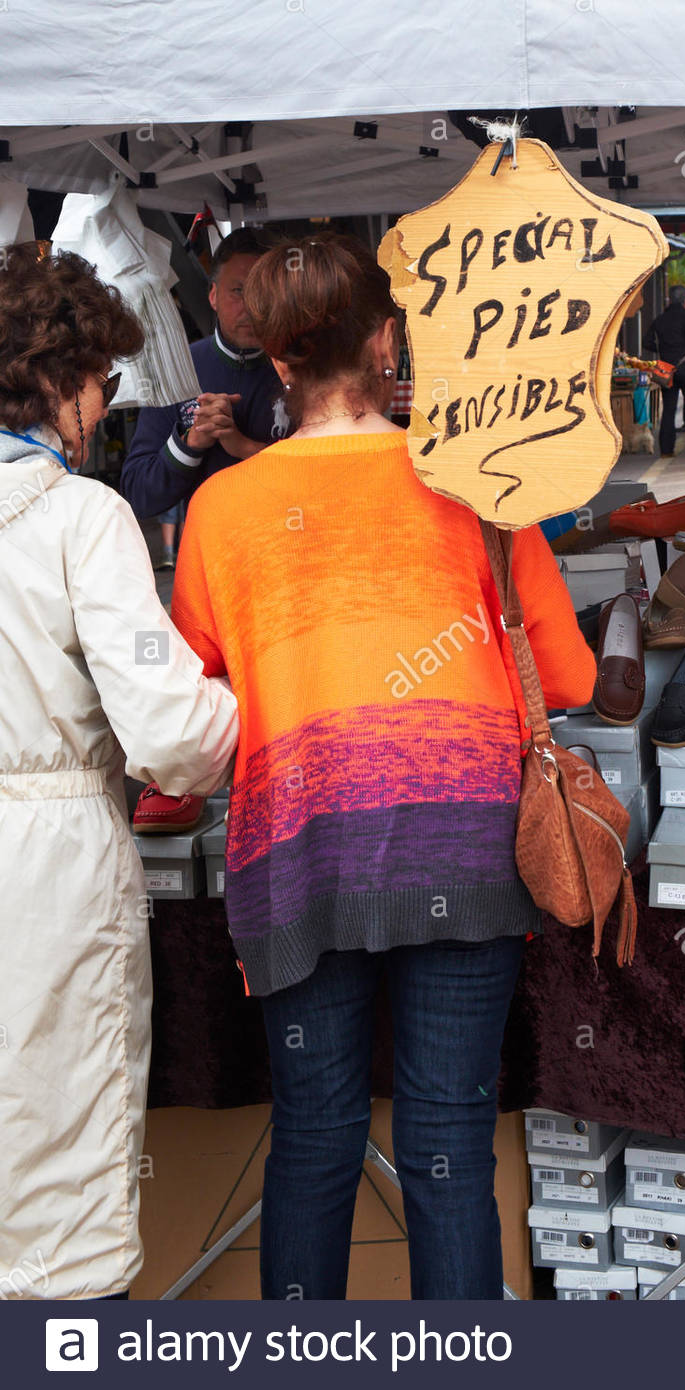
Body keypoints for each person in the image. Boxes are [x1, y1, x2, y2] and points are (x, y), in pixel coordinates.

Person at [170, 232, 596, 1300]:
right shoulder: (475, 487)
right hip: (463, 838)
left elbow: (187, 704)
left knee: (312, 1137)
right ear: (386, 339)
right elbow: (572, 676)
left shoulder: (222, 508)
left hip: (300, 850)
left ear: (274, 362)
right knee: (448, 1142)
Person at [0, 244, 239, 1300]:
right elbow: (173, 731)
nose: (103, 406)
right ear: (56, 380)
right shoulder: (81, 520)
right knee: (58, 1162)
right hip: (45, 865)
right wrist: (248, 712)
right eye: (100, 380)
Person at [120, 227, 290, 562]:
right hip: (209, 567)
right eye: (238, 291)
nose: (252, 307)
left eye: (263, 291)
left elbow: (322, 478)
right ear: (212, 295)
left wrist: (245, 447)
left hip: (288, 560)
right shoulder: (177, 369)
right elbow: (139, 495)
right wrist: (189, 443)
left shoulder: (301, 369)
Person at [645, 285, 685, 458]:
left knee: (669, 409)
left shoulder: (660, 319)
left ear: (670, 300)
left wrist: (661, 349)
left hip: (666, 370)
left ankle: (666, 450)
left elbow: (646, 342)